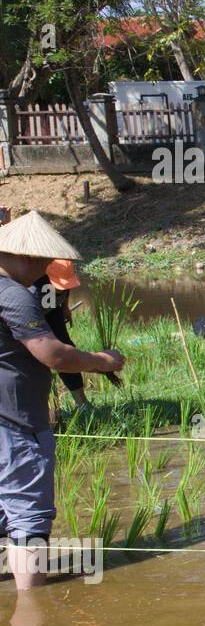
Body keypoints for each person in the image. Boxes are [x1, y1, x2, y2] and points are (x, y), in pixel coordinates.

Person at [0, 212, 124, 589]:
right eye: (41, 261)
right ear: (26, 256)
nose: (43, 270)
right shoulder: (13, 294)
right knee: (29, 515)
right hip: (16, 421)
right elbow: (52, 353)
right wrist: (103, 361)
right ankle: (33, 609)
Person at [31, 259, 88, 409]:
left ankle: (82, 403)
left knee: (66, 349)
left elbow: (66, 290)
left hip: (52, 310)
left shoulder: (63, 272)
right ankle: (42, 407)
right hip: (30, 319)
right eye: (60, 284)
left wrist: (65, 307)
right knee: (35, 359)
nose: (63, 287)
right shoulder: (32, 290)